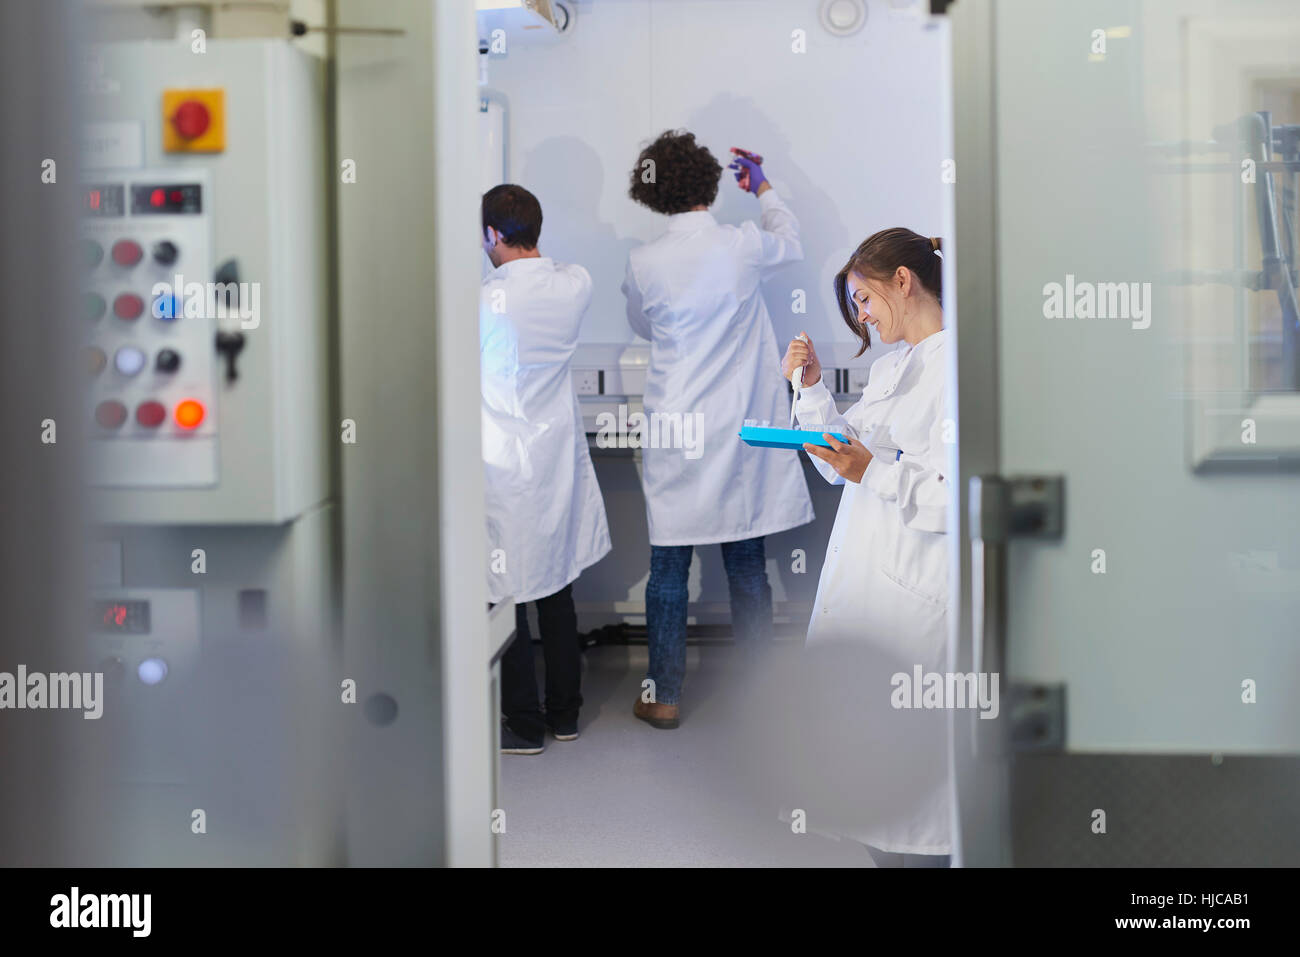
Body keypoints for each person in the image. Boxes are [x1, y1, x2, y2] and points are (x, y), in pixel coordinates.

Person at [621, 131, 814, 729]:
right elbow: (792, 241)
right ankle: (760, 697)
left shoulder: (643, 261)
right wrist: (764, 189)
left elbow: (645, 325)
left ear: (653, 194)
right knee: (748, 565)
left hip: (678, 429)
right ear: (709, 183)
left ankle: (665, 695)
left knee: (669, 570)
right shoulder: (743, 246)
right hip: (739, 429)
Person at [780, 228, 952, 867]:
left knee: (917, 804)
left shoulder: (958, 367)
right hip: (869, 583)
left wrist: (871, 471)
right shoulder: (892, 367)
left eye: (863, 299)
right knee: (873, 789)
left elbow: (953, 495)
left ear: (902, 280)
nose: (861, 316)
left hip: (917, 591)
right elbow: (839, 459)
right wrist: (811, 390)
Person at [480, 183, 611, 755]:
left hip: (502, 468)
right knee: (556, 591)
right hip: (554, 462)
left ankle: (524, 726)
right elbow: (563, 271)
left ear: (491, 235)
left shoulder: (480, 300)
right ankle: (565, 716)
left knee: (504, 596)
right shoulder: (574, 285)